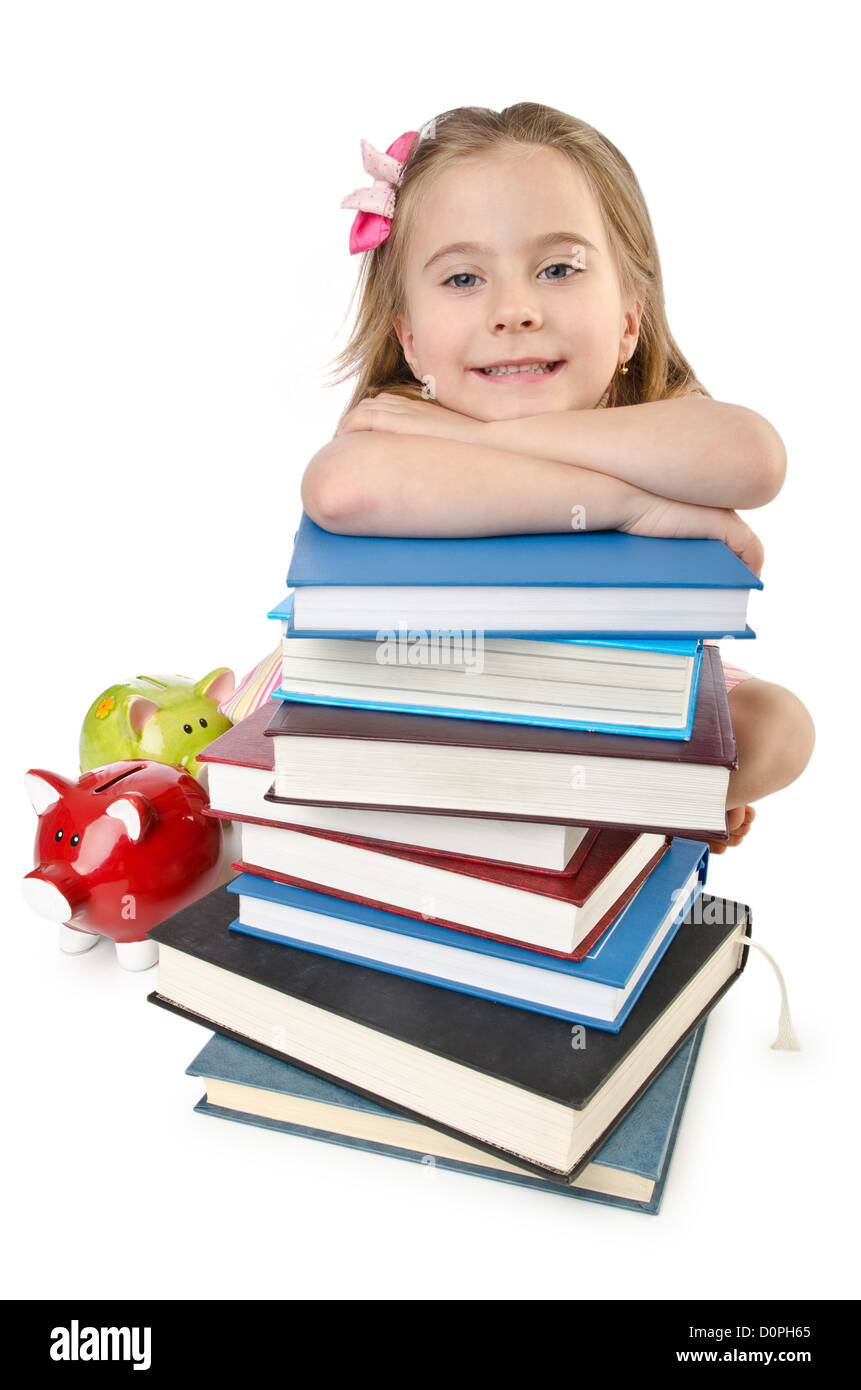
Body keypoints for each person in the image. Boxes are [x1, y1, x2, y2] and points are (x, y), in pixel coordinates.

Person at [232, 104, 815, 853]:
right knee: (255, 751)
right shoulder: (396, 425)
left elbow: (753, 457)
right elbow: (342, 490)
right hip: (409, 688)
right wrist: (634, 504)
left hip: (605, 680)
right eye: (464, 277)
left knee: (781, 727)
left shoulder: (647, 423)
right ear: (409, 339)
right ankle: (565, 811)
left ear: (629, 317)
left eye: (558, 269)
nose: (514, 310)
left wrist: (488, 434)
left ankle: (592, 804)